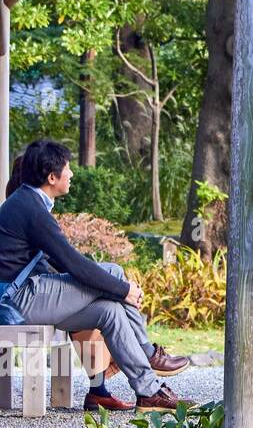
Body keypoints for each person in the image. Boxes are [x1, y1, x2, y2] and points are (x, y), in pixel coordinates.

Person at [0, 139, 191, 411]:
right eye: (67, 169)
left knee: (109, 311)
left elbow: (63, 262)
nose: (72, 174)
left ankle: (148, 391)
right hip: (18, 300)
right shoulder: (30, 208)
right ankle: (149, 353)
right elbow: (72, 263)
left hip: (24, 296)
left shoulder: (29, 202)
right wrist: (124, 289)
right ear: (52, 177)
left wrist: (117, 293)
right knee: (114, 272)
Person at [3, 152, 127, 410]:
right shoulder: (27, 207)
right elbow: (51, 261)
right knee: (93, 295)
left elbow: (55, 259)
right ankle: (103, 383)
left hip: (34, 284)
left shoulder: (24, 203)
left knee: (94, 297)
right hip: (24, 295)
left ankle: (101, 385)